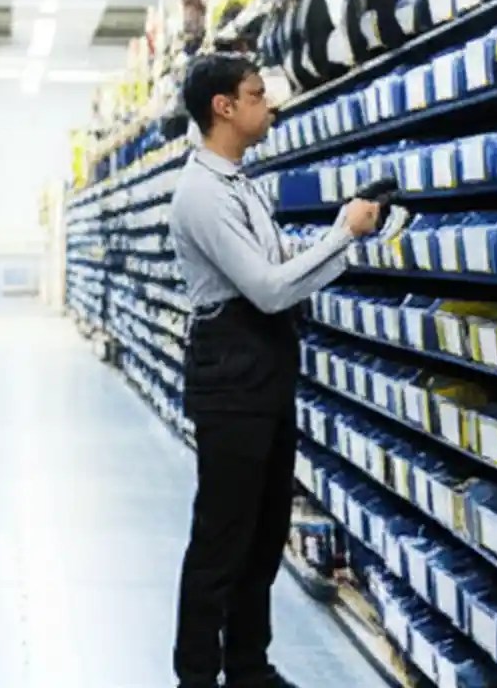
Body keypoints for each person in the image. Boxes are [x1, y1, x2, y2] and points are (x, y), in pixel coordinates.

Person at [169, 52, 381, 688]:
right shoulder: (201, 194)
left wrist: (343, 236)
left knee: (265, 534)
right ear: (224, 107)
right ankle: (197, 677)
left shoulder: (239, 183)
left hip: (262, 365)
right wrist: (342, 235)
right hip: (231, 369)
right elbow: (266, 288)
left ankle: (248, 668)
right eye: (258, 94)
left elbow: (279, 260)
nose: (271, 105)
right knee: (221, 538)